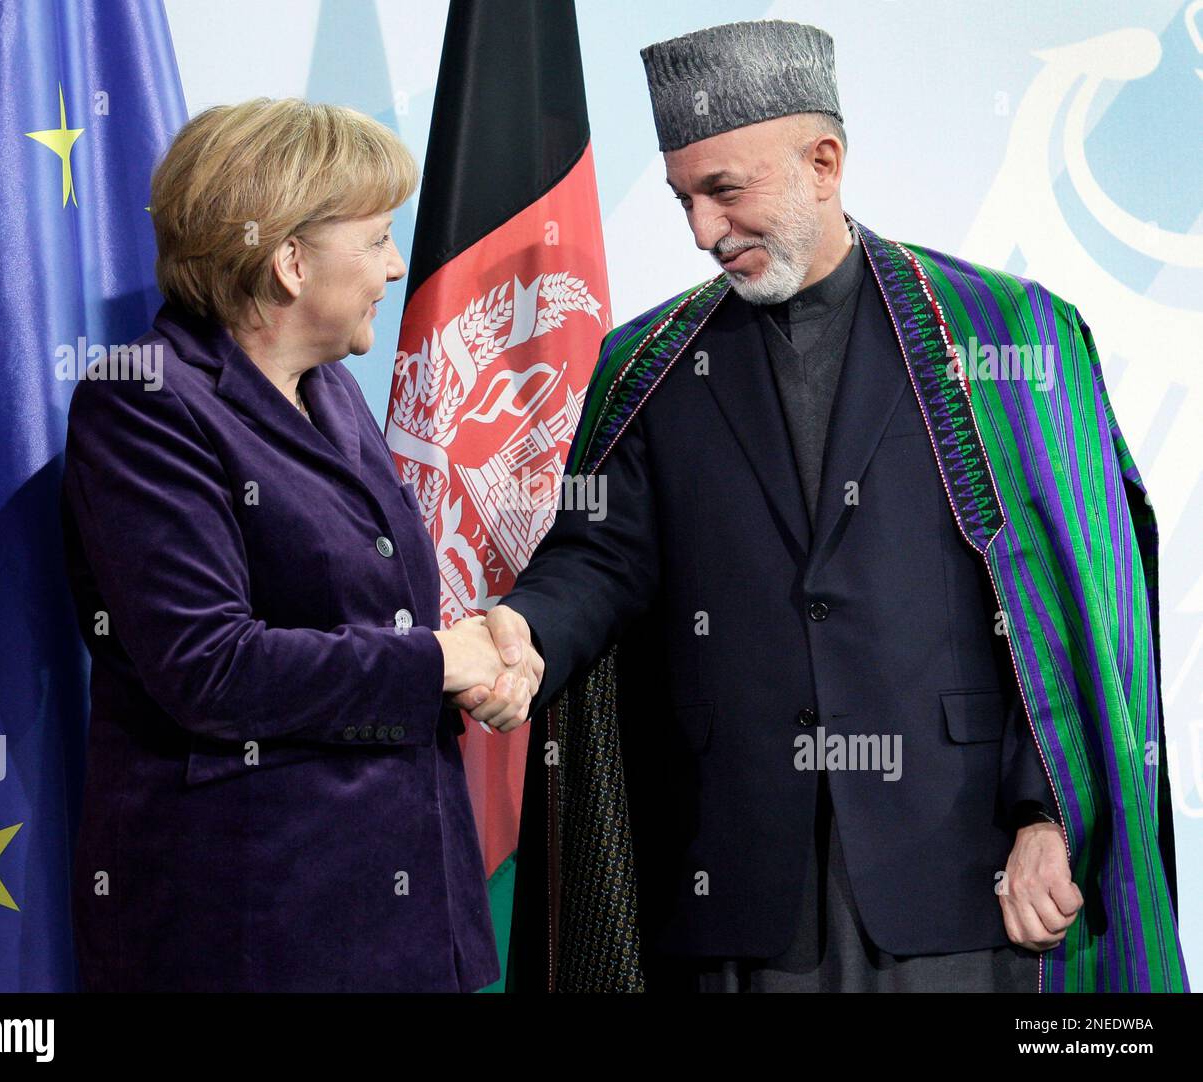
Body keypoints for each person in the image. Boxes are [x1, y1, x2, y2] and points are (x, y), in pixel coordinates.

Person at [483, 19, 1186, 992]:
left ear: (824, 161)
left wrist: (1045, 814)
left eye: (725, 190)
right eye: (684, 196)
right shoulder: (646, 366)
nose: (700, 231)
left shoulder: (1006, 334)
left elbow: (1077, 601)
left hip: (960, 880)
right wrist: (520, 630)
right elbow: (596, 561)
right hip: (727, 889)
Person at [61, 98, 529, 992]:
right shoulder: (147, 405)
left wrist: (478, 648)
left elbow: (367, 609)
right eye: (379, 239)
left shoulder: (330, 389)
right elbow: (210, 665)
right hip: (252, 927)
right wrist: (433, 662)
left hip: (401, 912)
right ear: (288, 260)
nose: (397, 267)